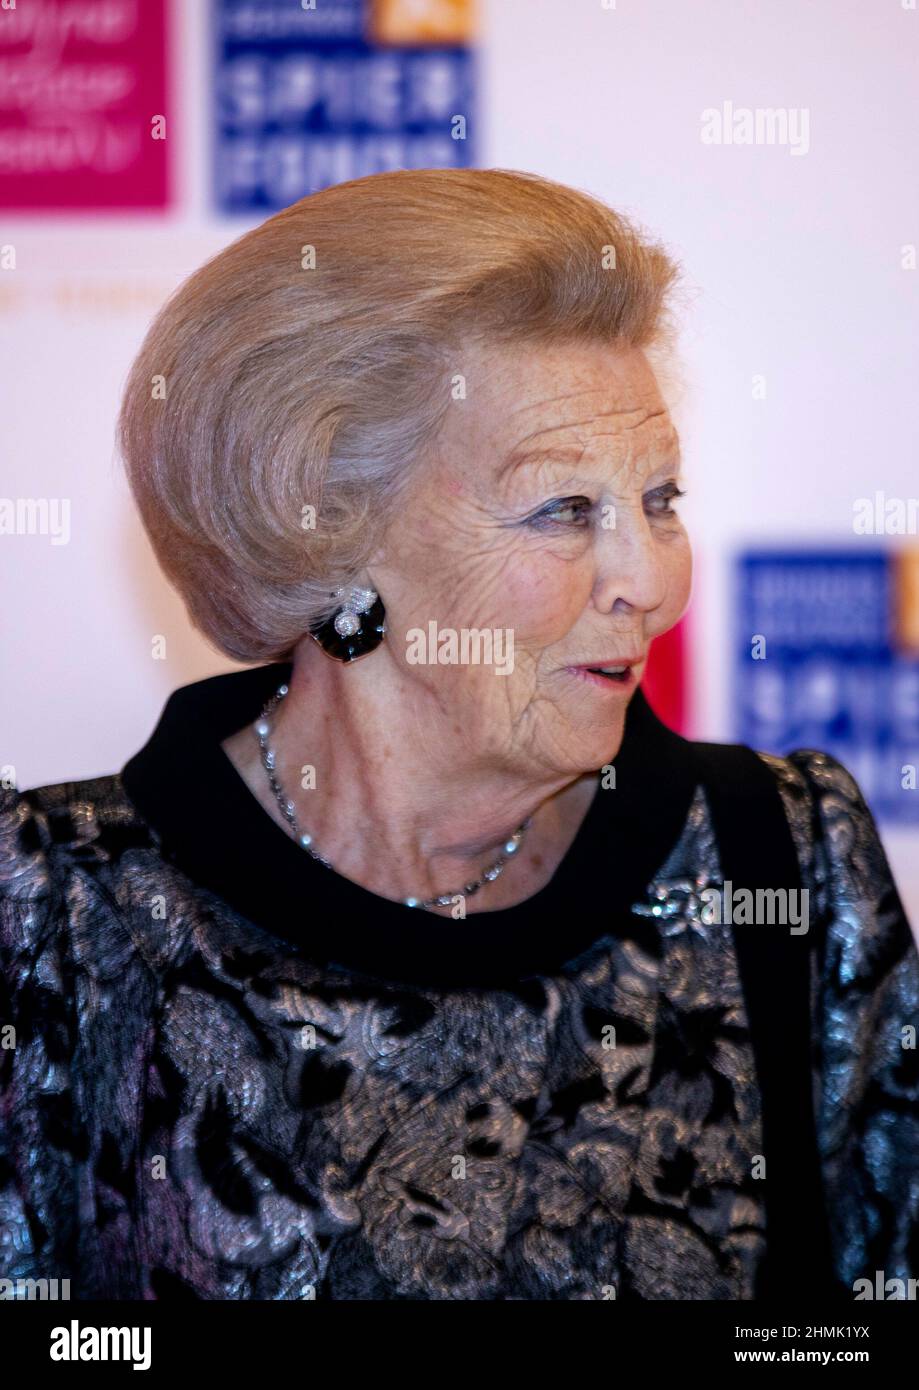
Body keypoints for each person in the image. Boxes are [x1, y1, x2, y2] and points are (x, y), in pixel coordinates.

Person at [1, 168, 916, 1301]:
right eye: (563, 509)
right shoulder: (56, 910)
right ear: (328, 536)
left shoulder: (777, 852)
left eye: (660, 500)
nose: (651, 580)